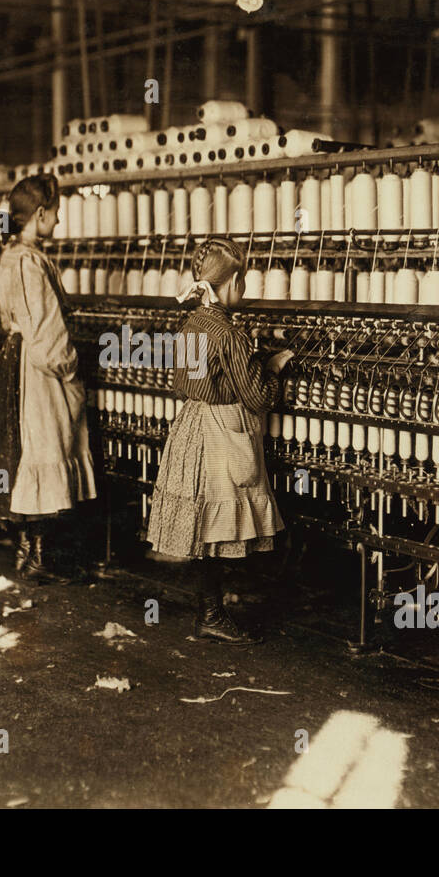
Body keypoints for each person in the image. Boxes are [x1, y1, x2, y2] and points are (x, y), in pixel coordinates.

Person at [144, 237, 294, 644]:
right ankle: (211, 615)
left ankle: (210, 610)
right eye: (242, 281)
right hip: (221, 434)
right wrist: (274, 366)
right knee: (217, 526)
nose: (243, 289)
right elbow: (259, 397)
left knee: (203, 526)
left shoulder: (190, 324)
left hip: (193, 425)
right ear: (230, 282)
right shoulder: (229, 333)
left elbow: (182, 382)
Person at [0, 174, 97, 582]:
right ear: (41, 214)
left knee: (29, 453)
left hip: (20, 361)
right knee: (44, 448)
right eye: (57, 214)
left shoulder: (14, 256)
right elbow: (45, 330)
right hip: (38, 368)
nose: (59, 222)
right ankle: (38, 559)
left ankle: (29, 555)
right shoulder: (28, 261)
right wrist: (72, 368)